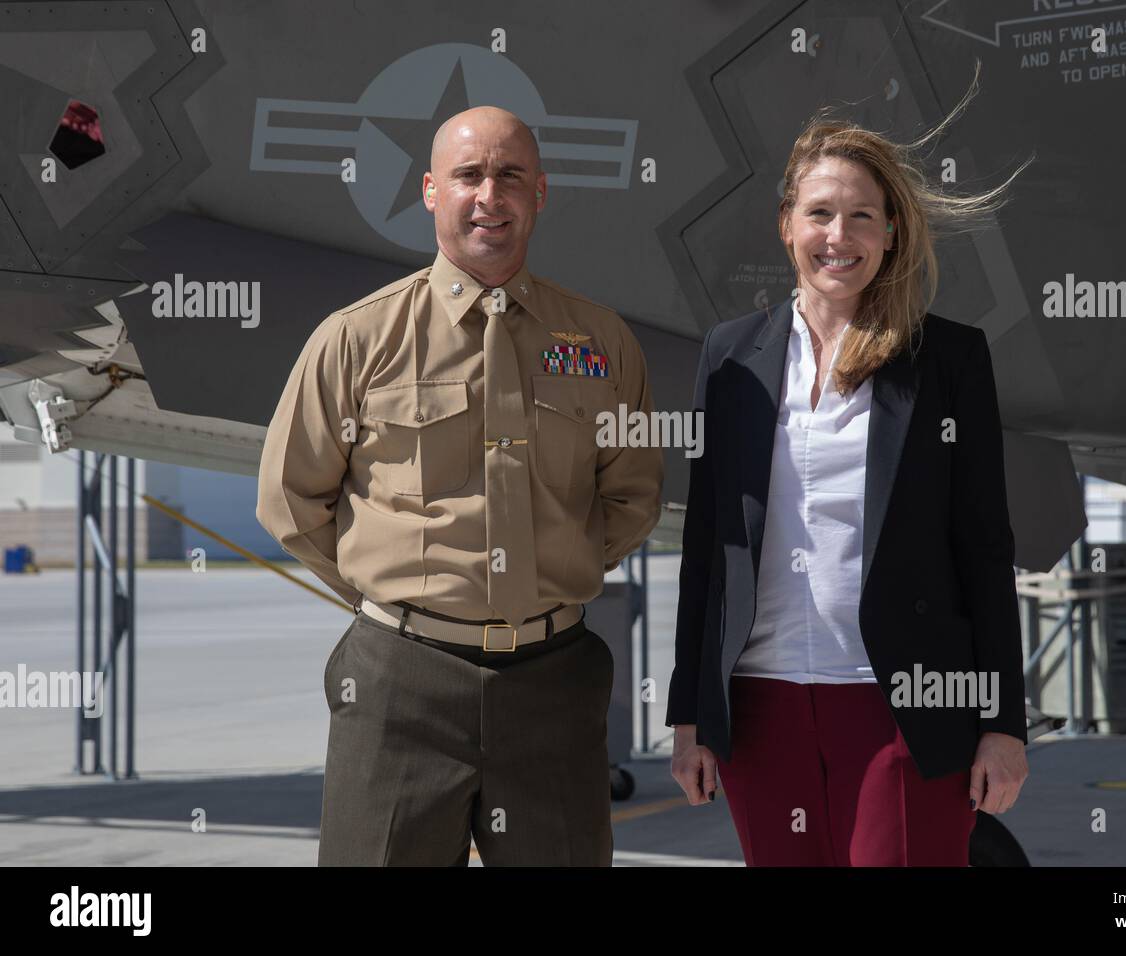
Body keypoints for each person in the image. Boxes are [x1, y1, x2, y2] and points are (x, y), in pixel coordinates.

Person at [256, 105, 662, 866]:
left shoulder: (602, 344)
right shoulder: (356, 339)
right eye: (468, 175)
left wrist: (545, 573)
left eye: (510, 175)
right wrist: (403, 595)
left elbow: (633, 496)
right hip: (398, 688)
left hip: (553, 682)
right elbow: (290, 500)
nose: (489, 195)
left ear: (540, 191)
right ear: (431, 192)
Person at [667, 92, 1032, 866]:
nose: (840, 237)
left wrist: (1002, 723)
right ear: (786, 225)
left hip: (901, 704)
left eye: (863, 216)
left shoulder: (948, 362)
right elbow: (707, 549)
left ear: (892, 232)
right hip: (761, 708)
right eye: (820, 214)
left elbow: (984, 550)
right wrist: (691, 717)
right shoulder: (729, 357)